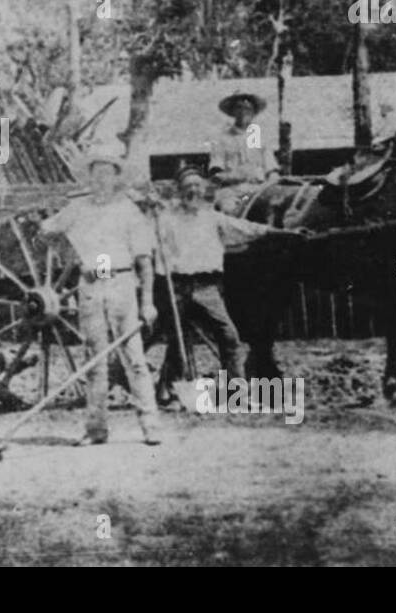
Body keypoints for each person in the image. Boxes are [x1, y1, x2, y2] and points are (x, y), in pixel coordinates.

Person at [39, 145, 161, 447]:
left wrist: (147, 302)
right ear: (89, 178)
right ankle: (96, 430)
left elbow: (145, 261)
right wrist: (71, 254)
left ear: (116, 178)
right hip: (91, 287)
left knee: (134, 359)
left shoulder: (129, 211)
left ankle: (150, 426)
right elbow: (44, 230)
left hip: (121, 285)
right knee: (95, 362)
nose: (101, 180)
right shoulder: (77, 209)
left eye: (107, 174)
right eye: (96, 174)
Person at [150, 165, 296, 389]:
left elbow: (248, 228)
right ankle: (168, 391)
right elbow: (149, 244)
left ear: (204, 190)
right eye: (187, 187)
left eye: (197, 186)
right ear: (179, 190)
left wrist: (285, 233)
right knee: (177, 342)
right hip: (176, 288)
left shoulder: (213, 219)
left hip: (206, 288)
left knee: (229, 338)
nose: (193, 191)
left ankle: (235, 392)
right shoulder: (165, 220)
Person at [208, 90, 278, 214]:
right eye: (239, 108)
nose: (244, 112)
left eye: (248, 108)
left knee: (277, 208)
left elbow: (271, 168)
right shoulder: (222, 139)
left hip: (258, 190)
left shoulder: (260, 137)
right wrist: (236, 175)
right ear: (232, 111)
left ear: (254, 112)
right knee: (230, 209)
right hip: (233, 191)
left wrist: (273, 180)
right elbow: (216, 174)